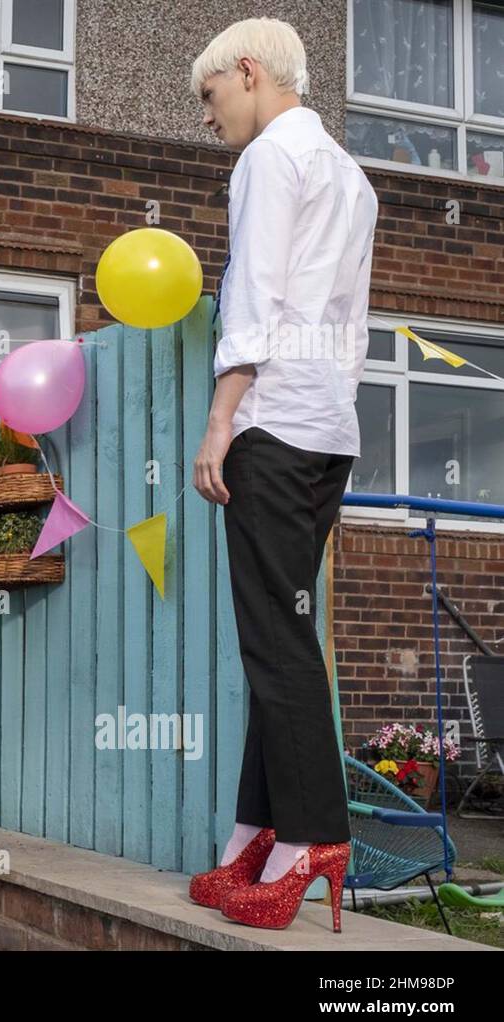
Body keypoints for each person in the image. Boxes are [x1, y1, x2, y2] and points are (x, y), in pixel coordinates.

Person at [187, 19, 378, 932]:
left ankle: (311, 838)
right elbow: (350, 322)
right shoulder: (352, 174)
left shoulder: (268, 160)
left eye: (212, 96)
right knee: (284, 634)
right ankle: (255, 832)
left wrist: (220, 422)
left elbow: (253, 297)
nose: (210, 116)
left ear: (250, 73)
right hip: (329, 426)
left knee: (276, 640)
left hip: (271, 423)